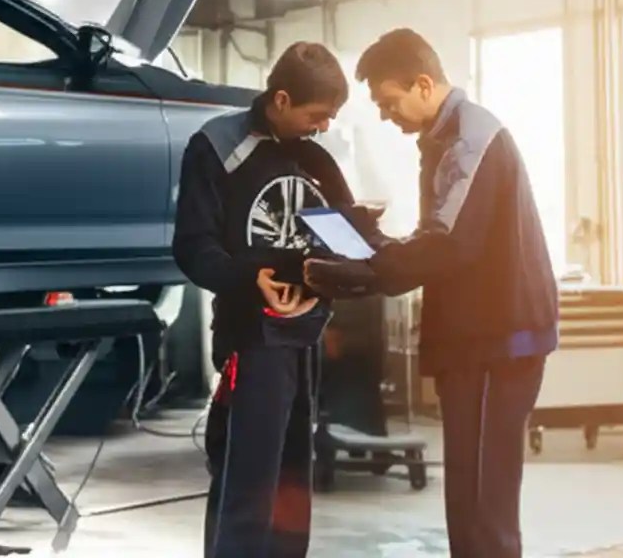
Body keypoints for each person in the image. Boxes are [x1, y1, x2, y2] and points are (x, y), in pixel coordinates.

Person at [305, 28, 559, 558]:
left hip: (499, 336)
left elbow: (448, 243)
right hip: (472, 335)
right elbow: (439, 234)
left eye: (388, 102)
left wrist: (369, 269)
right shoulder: (442, 140)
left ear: (423, 84)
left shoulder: (472, 139)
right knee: (465, 489)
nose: (384, 116)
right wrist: (375, 247)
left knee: (486, 497)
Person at [172, 41, 380, 558]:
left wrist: (361, 233)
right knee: (247, 486)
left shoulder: (314, 156)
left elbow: (341, 241)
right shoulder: (217, 146)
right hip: (252, 340)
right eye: (318, 115)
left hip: (304, 337)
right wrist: (251, 281)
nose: (325, 126)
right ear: (282, 99)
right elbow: (193, 247)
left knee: (291, 483)